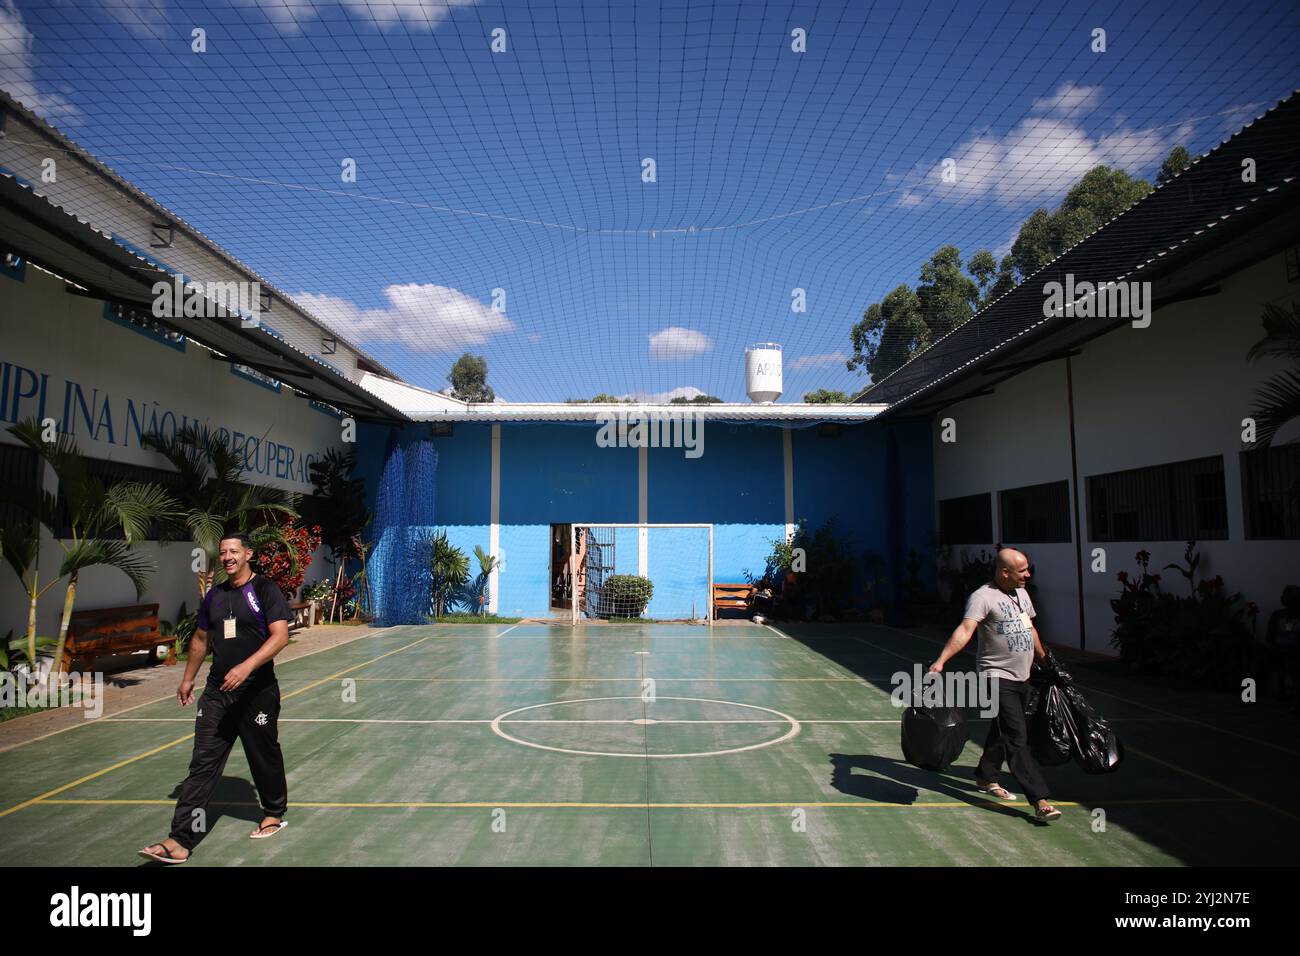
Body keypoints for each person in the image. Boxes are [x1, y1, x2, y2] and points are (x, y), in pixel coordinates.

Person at [138, 532, 292, 863]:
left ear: (248, 554)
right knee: (203, 763)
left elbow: (280, 637)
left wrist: (246, 667)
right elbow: (200, 638)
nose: (227, 557)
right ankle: (180, 840)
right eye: (223, 552)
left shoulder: (264, 590)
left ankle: (273, 812)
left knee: (262, 755)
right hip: (217, 694)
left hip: (257, 693)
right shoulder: (215, 596)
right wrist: (188, 678)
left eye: (233, 551)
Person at [929, 548, 1062, 822]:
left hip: (1022, 675)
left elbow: (1030, 628)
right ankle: (1039, 800)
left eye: (1027, 569)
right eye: (1022, 570)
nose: (1028, 574)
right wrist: (941, 661)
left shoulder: (1021, 594)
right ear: (1004, 572)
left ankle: (985, 775)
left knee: (1003, 729)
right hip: (995, 677)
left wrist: (1046, 660)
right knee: (1016, 736)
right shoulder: (982, 597)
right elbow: (965, 630)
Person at [1264, 585, 1300, 713]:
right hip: (1278, 649)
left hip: (1294, 652)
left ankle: (1294, 700)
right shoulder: (1278, 615)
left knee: (1293, 664)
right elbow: (1270, 636)